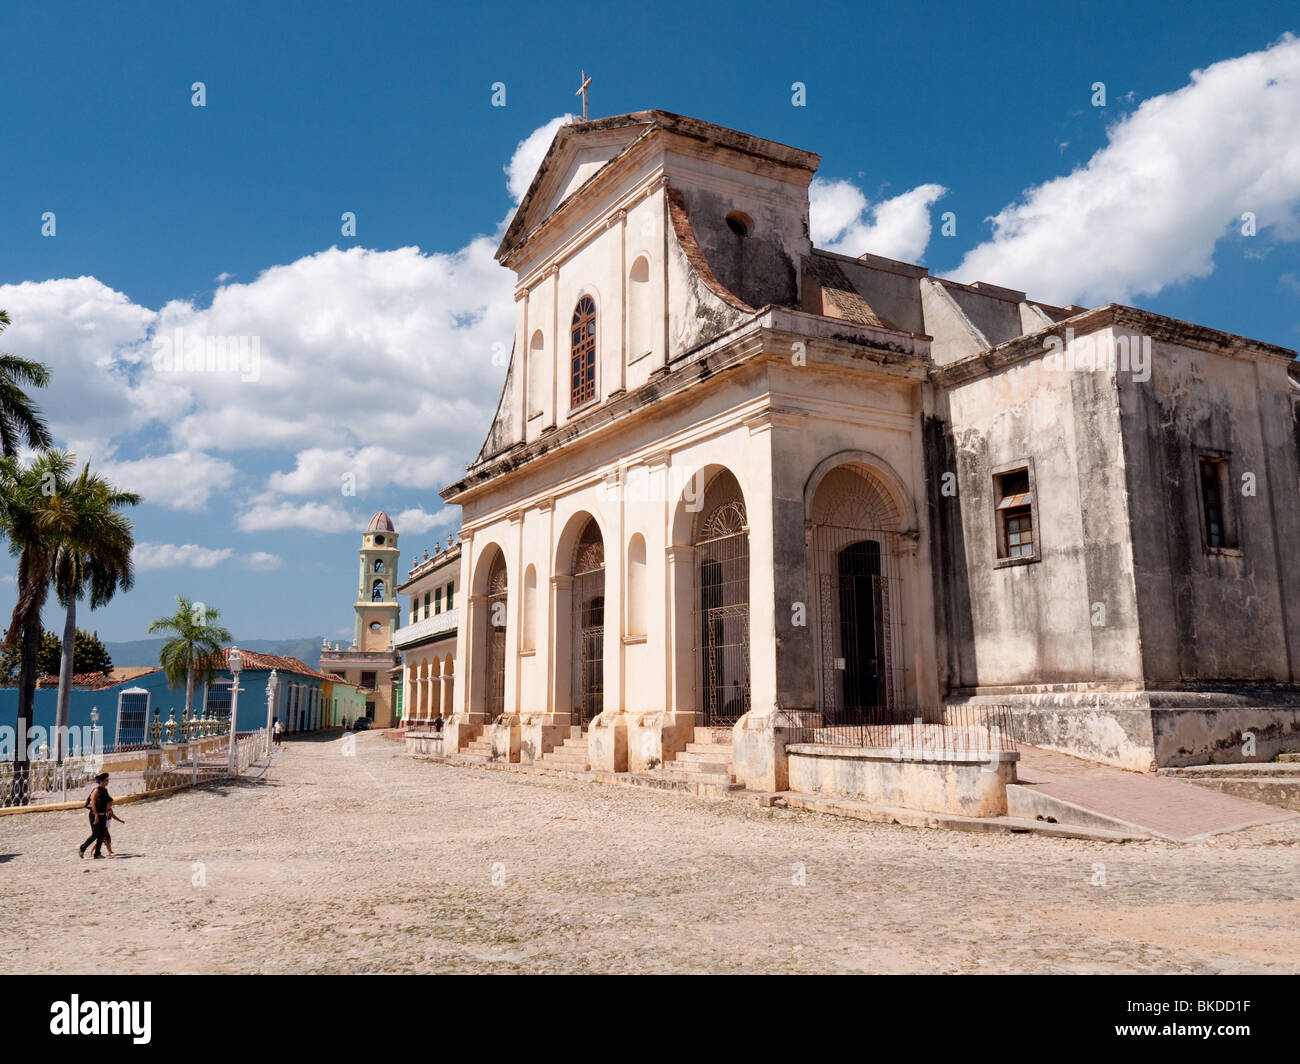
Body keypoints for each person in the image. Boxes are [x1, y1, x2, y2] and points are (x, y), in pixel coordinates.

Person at [78, 772, 123, 859]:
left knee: (101, 834)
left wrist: (107, 810)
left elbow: (109, 801)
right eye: (106, 780)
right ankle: (82, 848)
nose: (108, 782)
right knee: (95, 834)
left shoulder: (104, 790)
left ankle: (97, 853)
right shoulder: (96, 790)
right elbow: (93, 803)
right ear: (101, 781)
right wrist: (96, 815)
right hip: (94, 815)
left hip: (103, 815)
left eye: (108, 780)